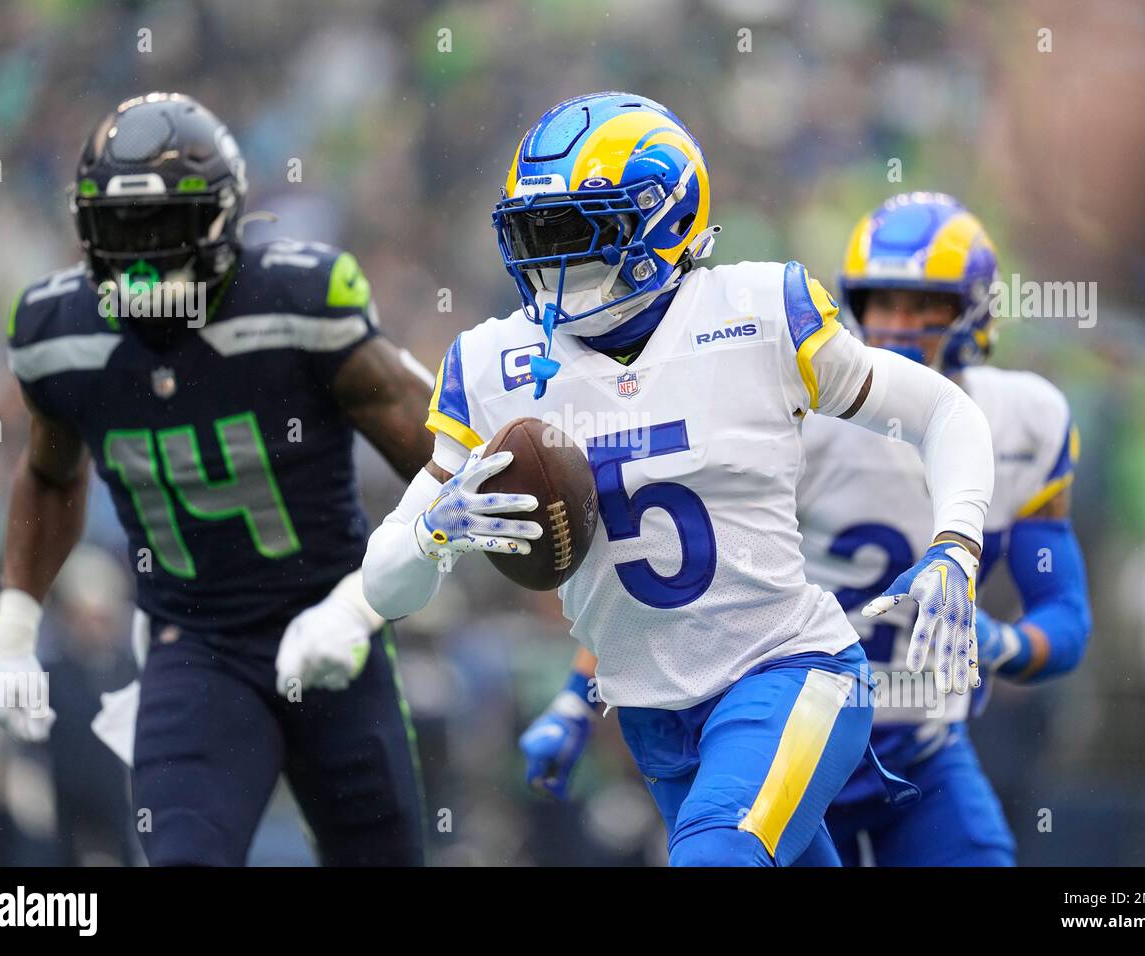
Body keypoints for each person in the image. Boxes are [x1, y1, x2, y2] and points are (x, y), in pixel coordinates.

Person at [364, 93, 994, 866]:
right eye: (535, 233)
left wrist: (956, 545)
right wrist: (430, 535)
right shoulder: (492, 365)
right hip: (653, 720)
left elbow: (943, 409)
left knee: (715, 855)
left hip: (790, 674)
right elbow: (384, 590)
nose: (551, 262)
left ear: (660, 224)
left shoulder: (758, 313)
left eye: (576, 232)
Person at [0, 93, 433, 866]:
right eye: (119, 232)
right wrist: (14, 633)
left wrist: (359, 607)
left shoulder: (297, 304)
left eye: (162, 228)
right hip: (194, 645)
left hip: (329, 630)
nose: (140, 256)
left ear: (222, 219)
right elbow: (52, 477)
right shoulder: (58, 334)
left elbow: (449, 468)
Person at [803, 192, 1092, 865]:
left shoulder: (1025, 419)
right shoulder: (802, 418)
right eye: (884, 303)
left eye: (923, 305)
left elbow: (1066, 617)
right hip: (794, 746)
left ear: (973, 310)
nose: (900, 327)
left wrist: (997, 643)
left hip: (925, 754)